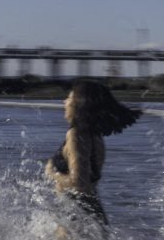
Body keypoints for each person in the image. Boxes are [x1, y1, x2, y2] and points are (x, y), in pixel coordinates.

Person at [45, 80, 142, 232]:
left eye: (69, 98)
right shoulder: (95, 136)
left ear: (79, 104)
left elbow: (80, 184)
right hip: (90, 217)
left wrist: (52, 172)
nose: (65, 102)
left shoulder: (76, 136)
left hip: (78, 220)